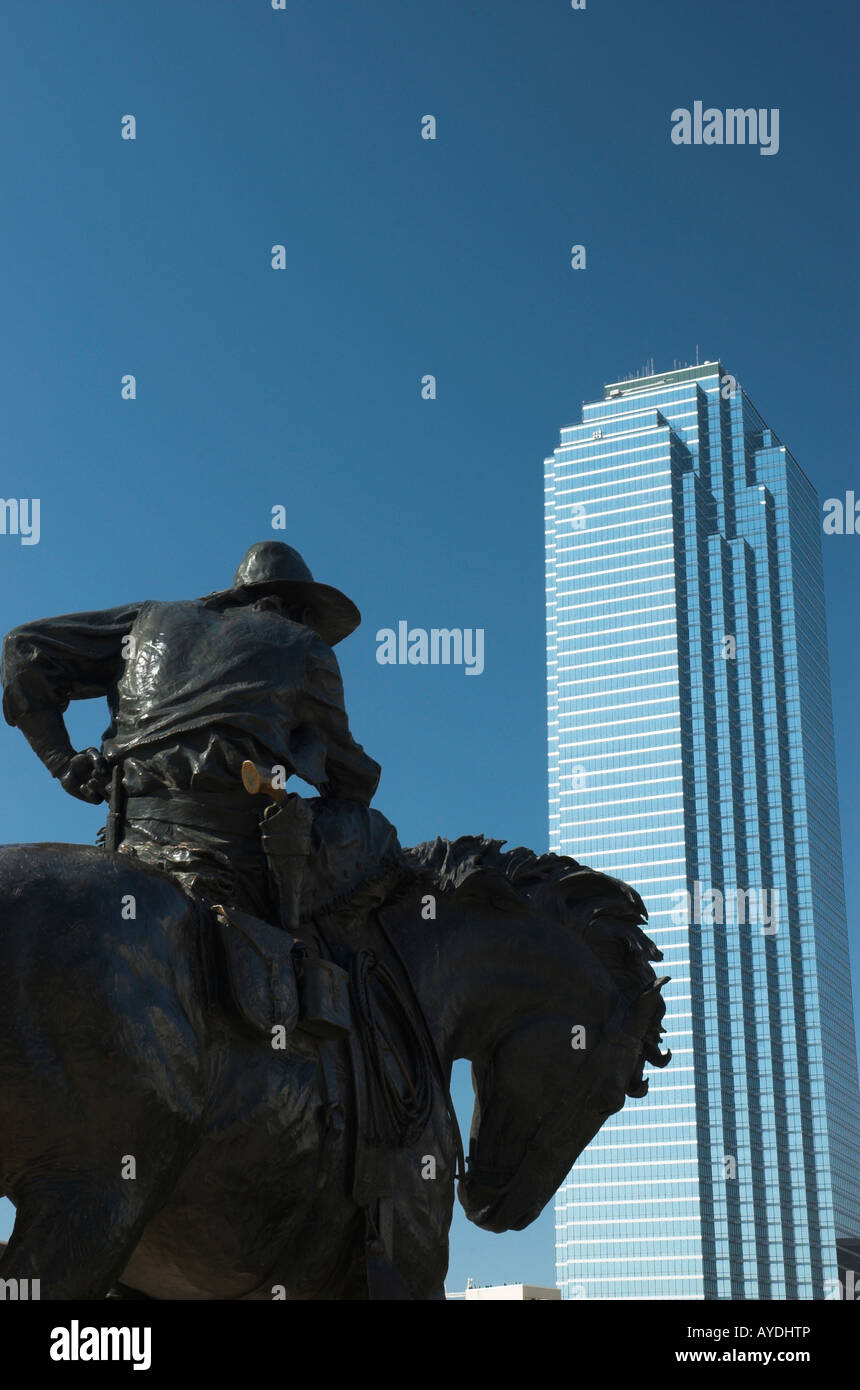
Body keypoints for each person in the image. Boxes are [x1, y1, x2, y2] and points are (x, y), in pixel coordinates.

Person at [2, 542, 380, 924]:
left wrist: (63, 761)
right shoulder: (303, 644)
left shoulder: (147, 619)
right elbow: (350, 777)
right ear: (299, 610)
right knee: (373, 832)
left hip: (129, 838)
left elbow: (23, 647)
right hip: (229, 854)